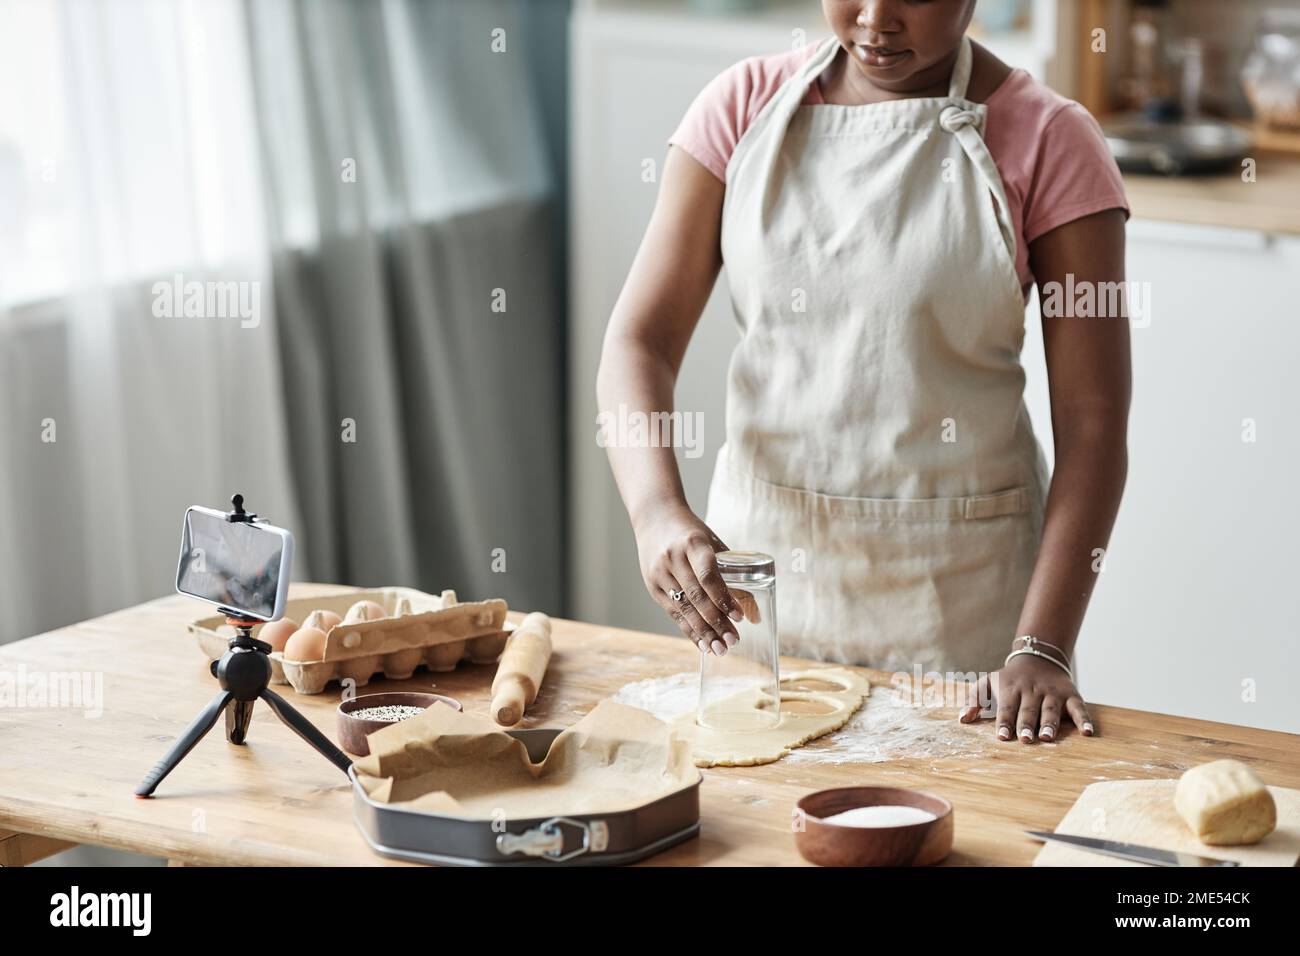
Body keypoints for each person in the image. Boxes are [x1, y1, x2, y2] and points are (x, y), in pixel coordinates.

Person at [597, 0, 1130, 744]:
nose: (876, 18)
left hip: (965, 631)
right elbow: (639, 342)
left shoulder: (1052, 140)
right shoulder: (740, 108)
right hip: (760, 617)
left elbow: (1094, 423)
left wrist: (1042, 647)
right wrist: (656, 510)